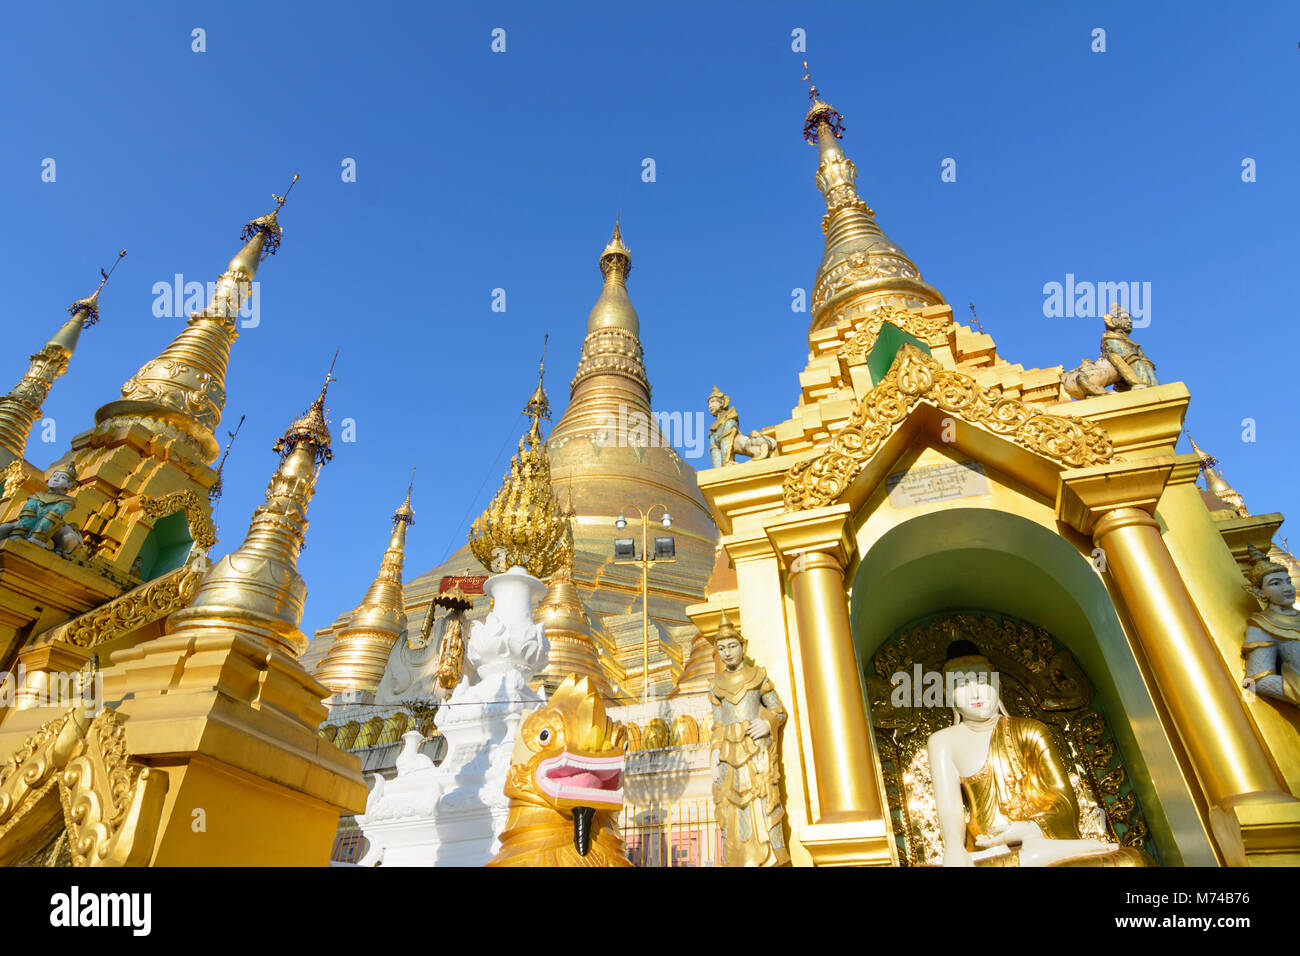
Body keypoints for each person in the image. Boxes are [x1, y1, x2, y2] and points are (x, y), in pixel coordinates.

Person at [926, 640, 1147, 867]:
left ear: (997, 684)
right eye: (961, 685)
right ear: (948, 694)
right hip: (988, 851)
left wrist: (1029, 828)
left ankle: (1040, 852)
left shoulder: (1031, 730)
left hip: (1039, 838)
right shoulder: (943, 741)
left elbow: (1063, 798)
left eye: (982, 681)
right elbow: (950, 809)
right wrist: (954, 850)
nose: (975, 692)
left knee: (1130, 862)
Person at [708, 613, 789, 866]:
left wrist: (767, 723)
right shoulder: (716, 685)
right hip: (728, 755)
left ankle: (775, 854)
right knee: (729, 805)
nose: (727, 653)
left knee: (765, 801)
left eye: (732, 646)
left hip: (756, 752)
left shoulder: (758, 676)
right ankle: (735, 858)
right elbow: (718, 722)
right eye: (721, 648)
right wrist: (713, 752)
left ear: (744, 647)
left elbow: (779, 710)